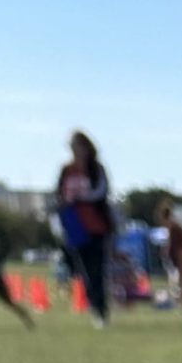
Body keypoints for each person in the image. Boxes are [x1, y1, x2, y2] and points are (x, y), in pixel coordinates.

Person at [55, 130, 114, 325]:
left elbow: (102, 191)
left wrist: (81, 198)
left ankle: (101, 310)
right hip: (75, 228)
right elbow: (59, 195)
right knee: (84, 271)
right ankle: (94, 305)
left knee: (97, 270)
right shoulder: (66, 170)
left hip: (96, 227)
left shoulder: (96, 169)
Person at [155, 196, 182, 307]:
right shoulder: (175, 225)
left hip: (181, 254)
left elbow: (173, 243)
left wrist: (166, 253)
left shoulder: (172, 226)